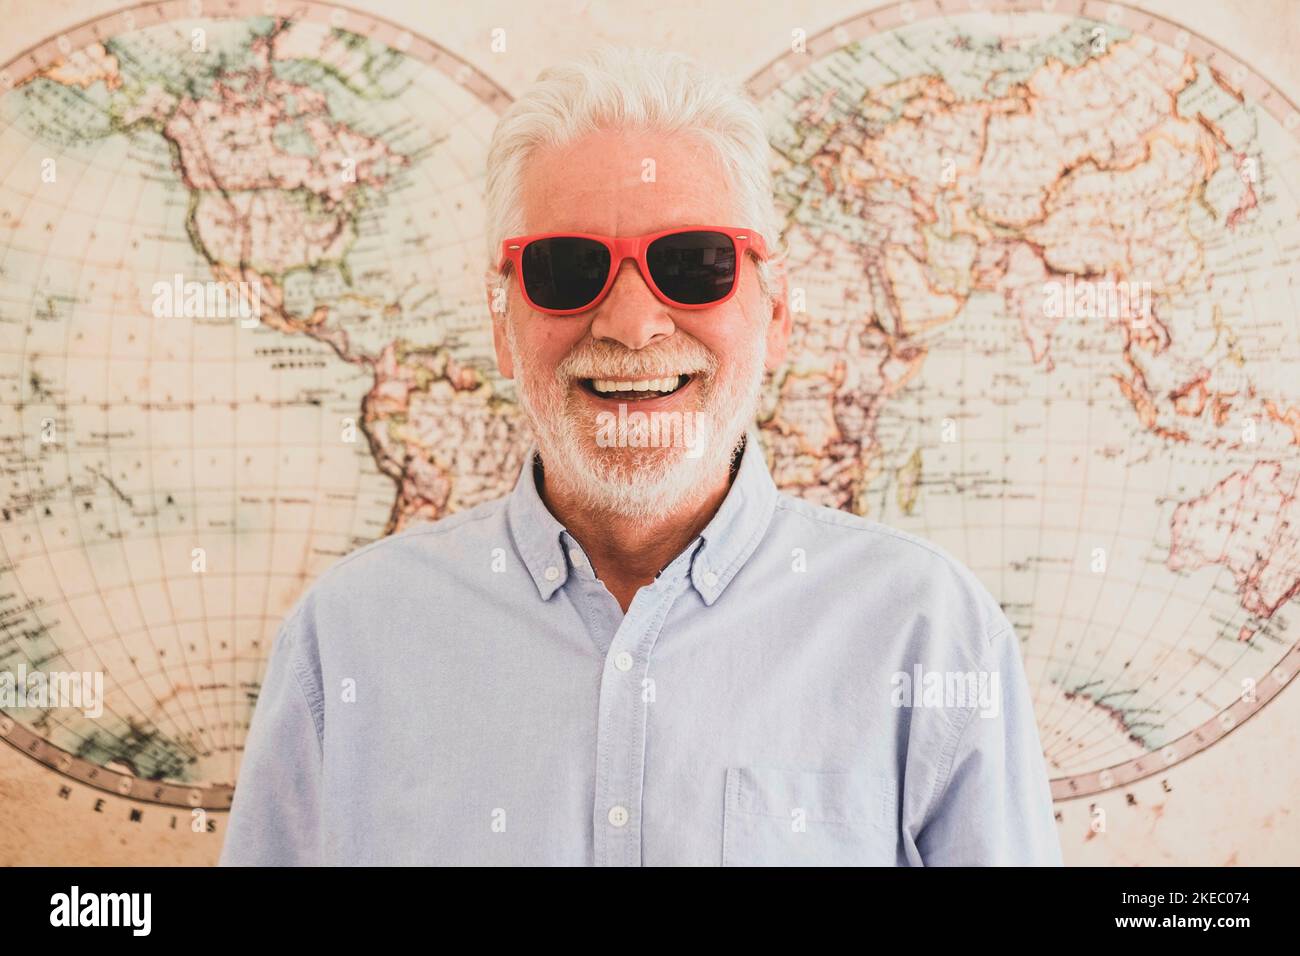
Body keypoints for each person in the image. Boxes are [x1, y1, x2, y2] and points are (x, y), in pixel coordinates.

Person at [219, 45, 1062, 866]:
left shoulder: (932, 637)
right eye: (565, 268)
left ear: (775, 311)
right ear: (501, 327)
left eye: (692, 264)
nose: (631, 323)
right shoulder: (347, 644)